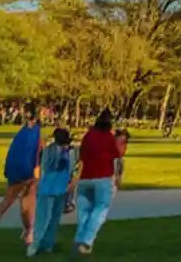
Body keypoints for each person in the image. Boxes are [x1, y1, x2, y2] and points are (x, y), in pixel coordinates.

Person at [0, 104, 43, 250]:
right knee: (21, 203)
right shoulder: (36, 133)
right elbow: (36, 157)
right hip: (26, 173)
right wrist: (35, 177)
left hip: (14, 172)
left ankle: (28, 233)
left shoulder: (22, 133)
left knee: (26, 203)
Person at [74, 109, 125, 254]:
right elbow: (117, 154)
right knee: (100, 209)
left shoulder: (88, 136)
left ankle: (79, 238)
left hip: (85, 178)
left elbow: (81, 156)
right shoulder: (109, 138)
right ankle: (87, 241)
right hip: (102, 178)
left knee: (84, 211)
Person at [27, 128, 74, 257]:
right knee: (54, 218)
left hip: (47, 187)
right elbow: (70, 171)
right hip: (61, 187)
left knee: (42, 217)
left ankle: (36, 245)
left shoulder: (49, 150)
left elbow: (44, 166)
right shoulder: (70, 153)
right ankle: (48, 244)